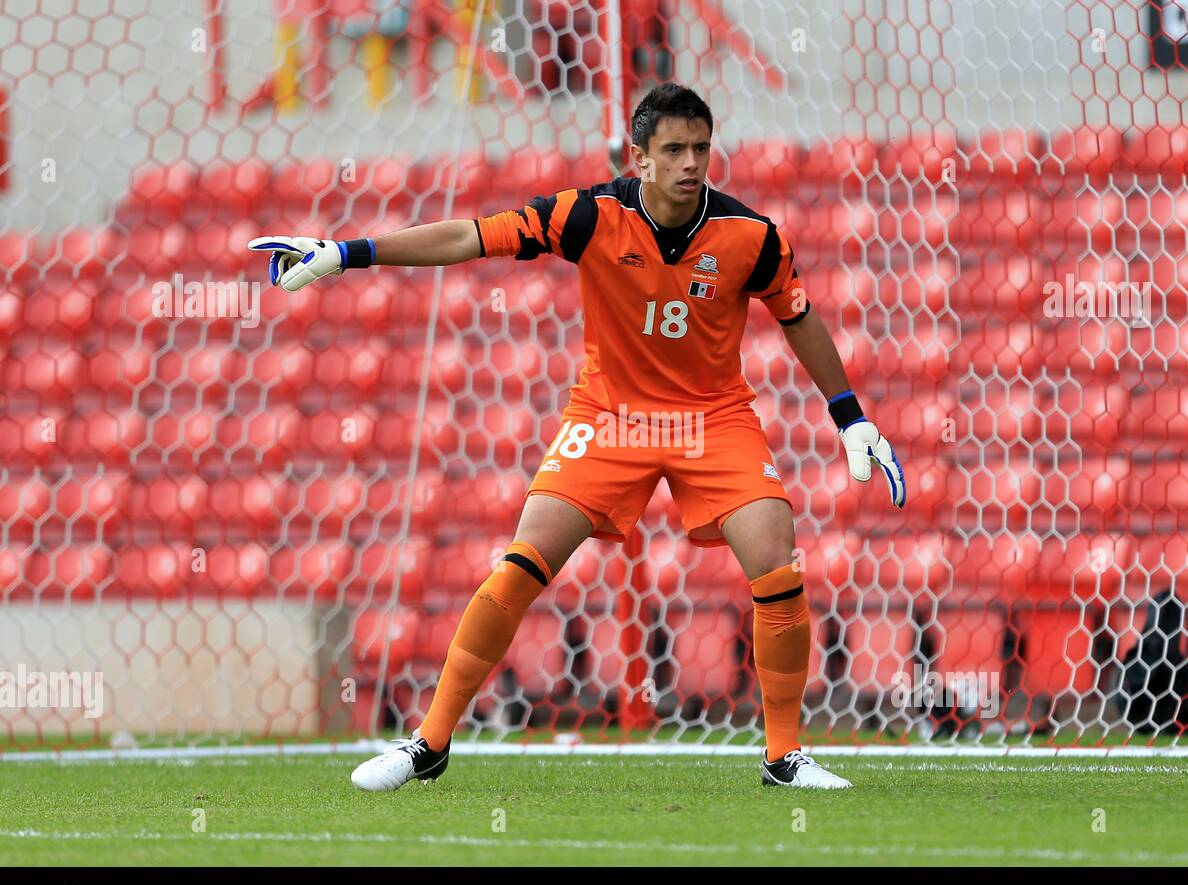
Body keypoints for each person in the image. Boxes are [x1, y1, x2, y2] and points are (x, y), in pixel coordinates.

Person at [248, 82, 906, 791]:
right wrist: (349, 254)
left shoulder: (752, 236)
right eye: (674, 150)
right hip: (609, 419)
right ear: (641, 158)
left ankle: (783, 756)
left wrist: (851, 415)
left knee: (777, 564)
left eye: (702, 148)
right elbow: (472, 236)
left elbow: (797, 315)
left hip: (712, 421)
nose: (692, 163)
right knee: (521, 565)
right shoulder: (589, 215)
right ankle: (428, 744)